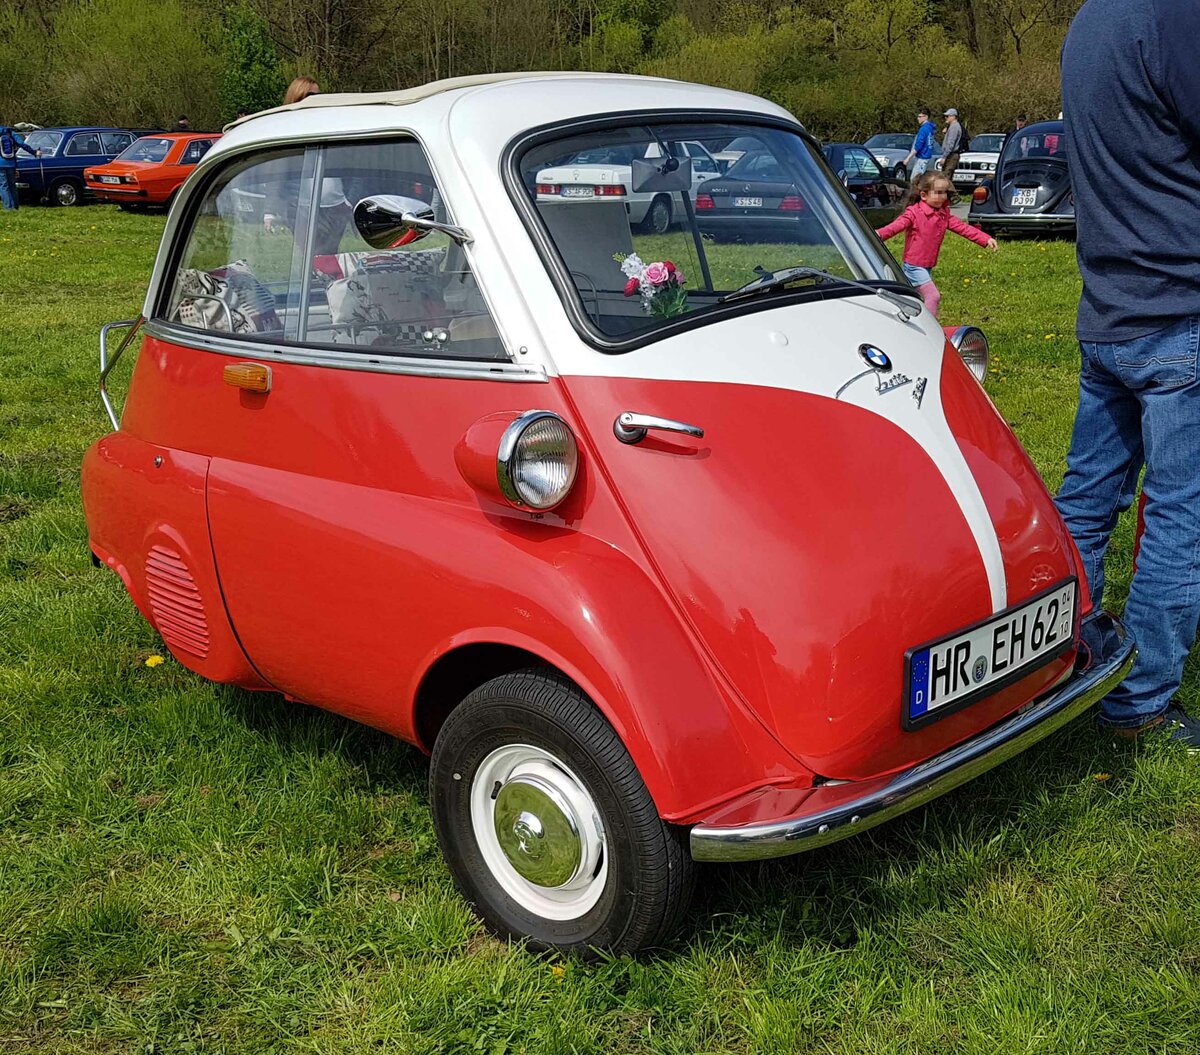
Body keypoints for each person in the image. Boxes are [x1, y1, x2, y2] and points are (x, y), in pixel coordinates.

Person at [1054, 0, 1200, 747]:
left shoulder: (1088, 21)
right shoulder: (1173, 16)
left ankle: (1057, 662)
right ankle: (1139, 701)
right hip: (1176, 307)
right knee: (1181, 513)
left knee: (1084, 501)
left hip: (1108, 304)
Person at [874, 172, 997, 317]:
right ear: (924, 195)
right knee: (933, 296)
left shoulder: (943, 214)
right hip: (914, 265)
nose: (943, 197)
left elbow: (963, 228)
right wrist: (879, 234)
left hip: (926, 265)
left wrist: (985, 238)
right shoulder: (914, 213)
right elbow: (897, 226)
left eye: (944, 192)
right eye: (938, 193)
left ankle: (903, 318)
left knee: (915, 297)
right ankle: (929, 328)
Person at [0, 123, 39, 210]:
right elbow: (22, 144)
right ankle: (15, 206)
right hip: (11, 163)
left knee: (3, 186)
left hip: (0, 164)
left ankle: (9, 208)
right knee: (12, 185)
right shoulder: (9, 132)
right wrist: (34, 152)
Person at [901, 108, 938, 179]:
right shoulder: (930, 128)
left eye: (920, 117)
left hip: (922, 157)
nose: (918, 118)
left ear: (926, 117)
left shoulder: (923, 129)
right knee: (921, 180)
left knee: (915, 180)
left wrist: (908, 159)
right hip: (927, 157)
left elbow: (918, 145)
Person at [940, 108, 967, 200]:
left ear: (953, 116)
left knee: (945, 177)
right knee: (947, 176)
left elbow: (950, 144)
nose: (945, 118)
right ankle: (948, 198)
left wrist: (944, 157)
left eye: (947, 116)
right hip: (950, 154)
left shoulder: (954, 127)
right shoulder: (951, 127)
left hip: (951, 155)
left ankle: (954, 196)